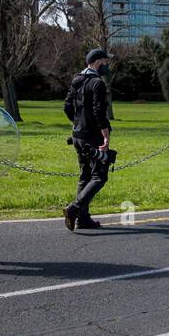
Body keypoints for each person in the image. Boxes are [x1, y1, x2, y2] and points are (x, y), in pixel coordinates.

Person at [63, 49, 114, 230]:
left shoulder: (77, 80)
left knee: (85, 174)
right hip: (93, 136)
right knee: (99, 176)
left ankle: (83, 219)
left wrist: (77, 123)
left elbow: (67, 107)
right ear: (98, 62)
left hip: (77, 135)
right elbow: (98, 112)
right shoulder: (97, 83)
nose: (108, 66)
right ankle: (74, 208)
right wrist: (105, 135)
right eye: (106, 62)